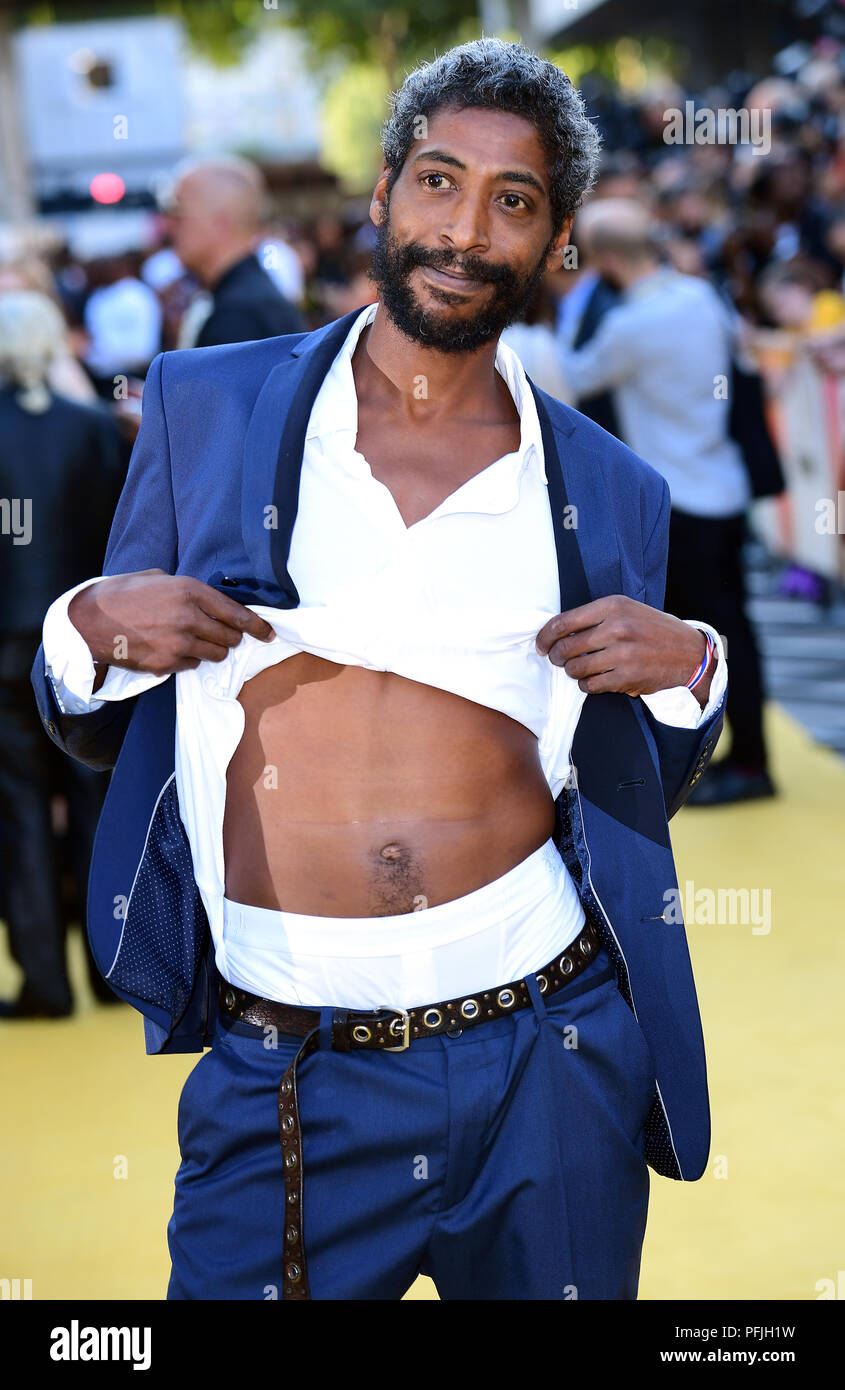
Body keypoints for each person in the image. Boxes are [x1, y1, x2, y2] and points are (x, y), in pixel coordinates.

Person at [32, 40, 726, 1300]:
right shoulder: (210, 407)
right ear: (381, 194)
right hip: (282, 1071)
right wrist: (83, 627)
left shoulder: (607, 486)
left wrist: (692, 668)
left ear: (556, 237)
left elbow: (637, 774)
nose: (462, 230)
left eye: (511, 202)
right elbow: (94, 693)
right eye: (437, 181)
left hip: (548, 1060)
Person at [558, 198, 773, 805]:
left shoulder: (630, 327)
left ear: (601, 259)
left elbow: (573, 376)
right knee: (734, 633)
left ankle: (717, 762)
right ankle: (746, 757)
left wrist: (573, 303)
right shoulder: (701, 296)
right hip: (721, 487)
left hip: (676, 504)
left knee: (687, 641)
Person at [0, 292, 127, 1016]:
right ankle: (113, 973)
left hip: (5, 646)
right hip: (79, 645)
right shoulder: (91, 429)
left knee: (19, 811)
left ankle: (45, 981)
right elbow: (118, 545)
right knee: (92, 803)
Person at [159, 156, 304, 348]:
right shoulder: (250, 301)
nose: (168, 226)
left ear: (221, 224)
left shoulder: (239, 317)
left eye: (178, 214)